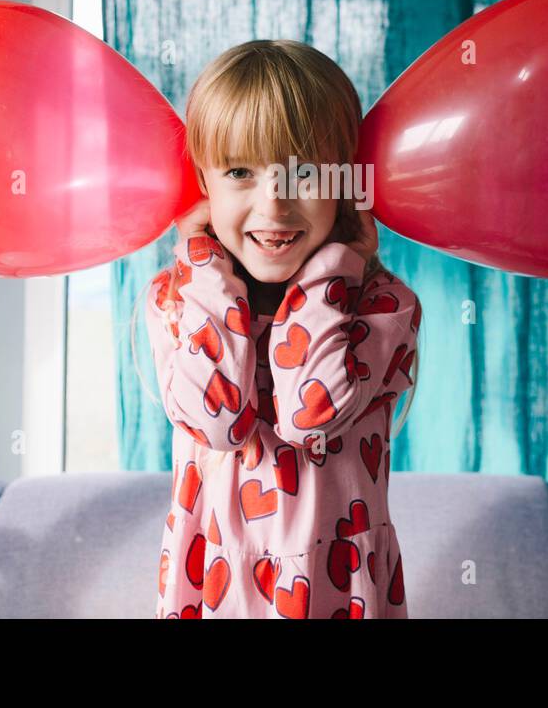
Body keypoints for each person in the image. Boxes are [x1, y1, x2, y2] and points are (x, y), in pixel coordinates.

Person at [132, 40, 422, 618]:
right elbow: (220, 422)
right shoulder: (177, 301)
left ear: (345, 182)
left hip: (338, 596)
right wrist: (205, 268)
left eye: (305, 172)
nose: (275, 202)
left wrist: (334, 270)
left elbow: (308, 413)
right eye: (240, 171)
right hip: (216, 596)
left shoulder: (384, 308)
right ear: (203, 183)